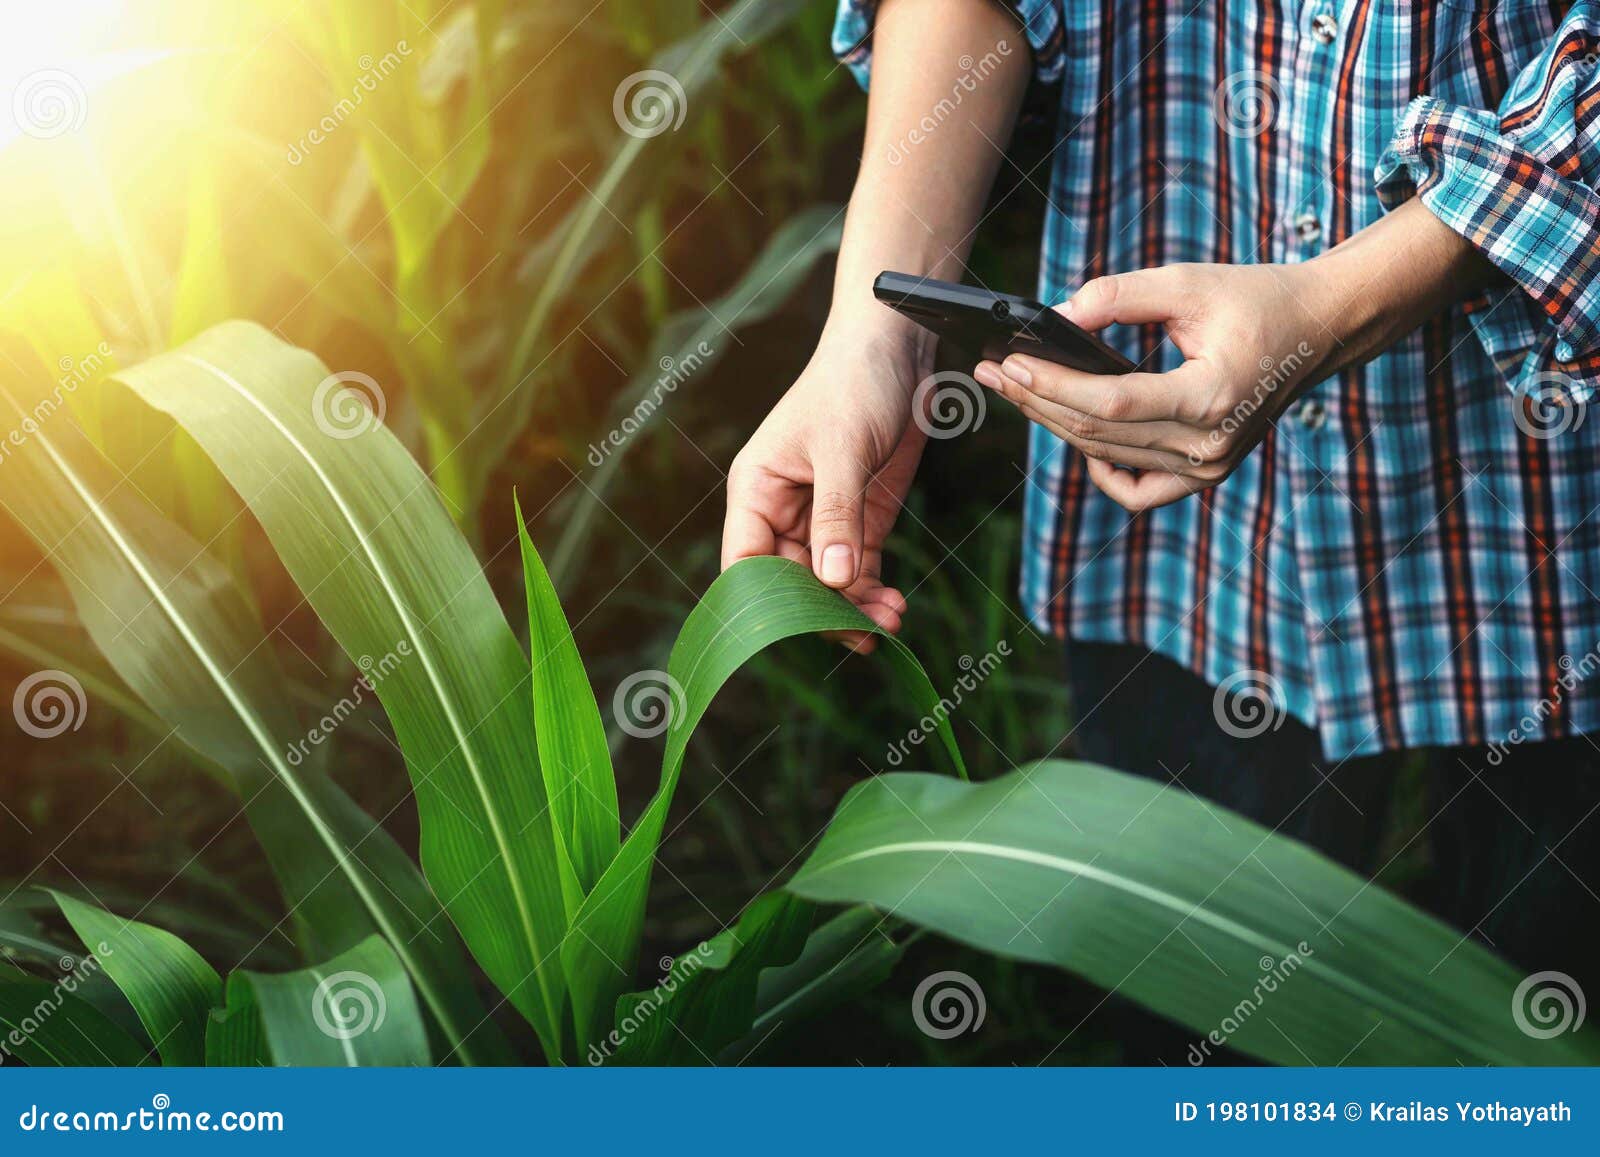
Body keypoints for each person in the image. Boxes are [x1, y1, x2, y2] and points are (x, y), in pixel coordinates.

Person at [722, 0, 1600, 1057]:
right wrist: (873, 338)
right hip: (1185, 546)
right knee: (1195, 1008)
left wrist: (1339, 301)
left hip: (1546, 499)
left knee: (1546, 997)